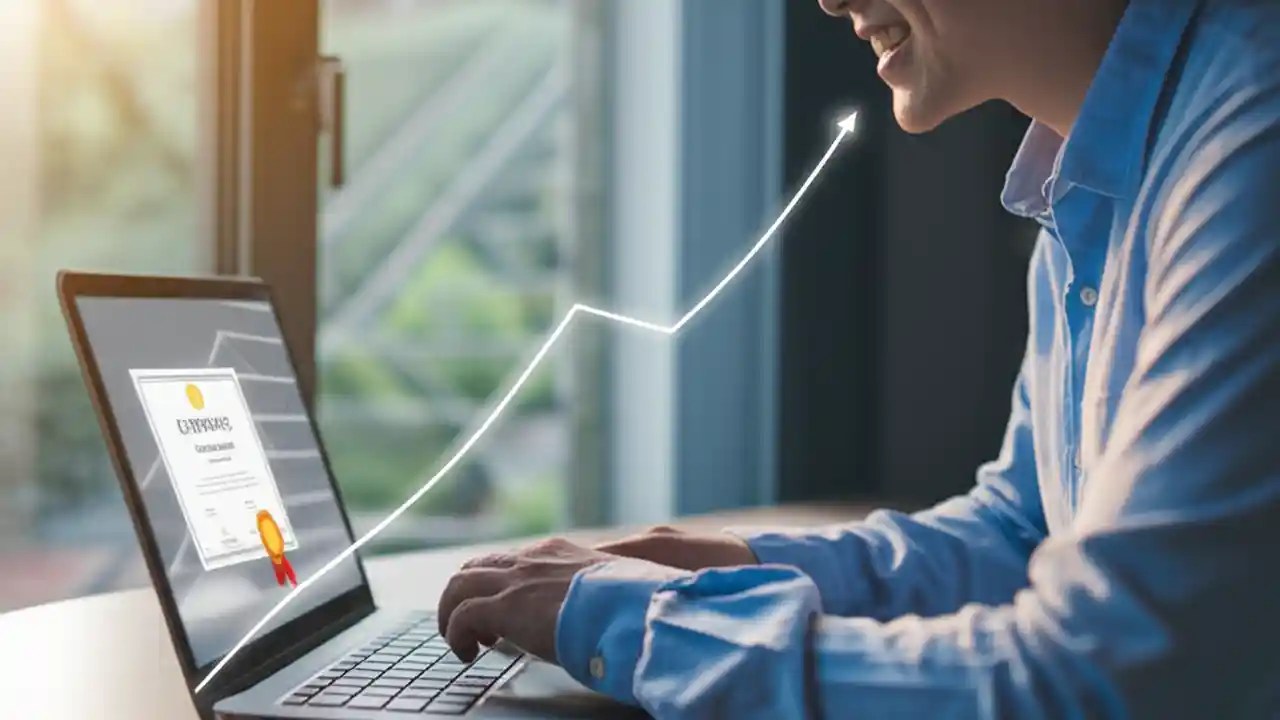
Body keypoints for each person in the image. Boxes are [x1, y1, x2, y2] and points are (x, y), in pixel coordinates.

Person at [437, 0, 1280, 716]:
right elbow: (1025, 536)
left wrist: (644, 623)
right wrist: (744, 564)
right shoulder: (1093, 178)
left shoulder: (1252, 147)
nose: (830, 0)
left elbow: (1099, 675)